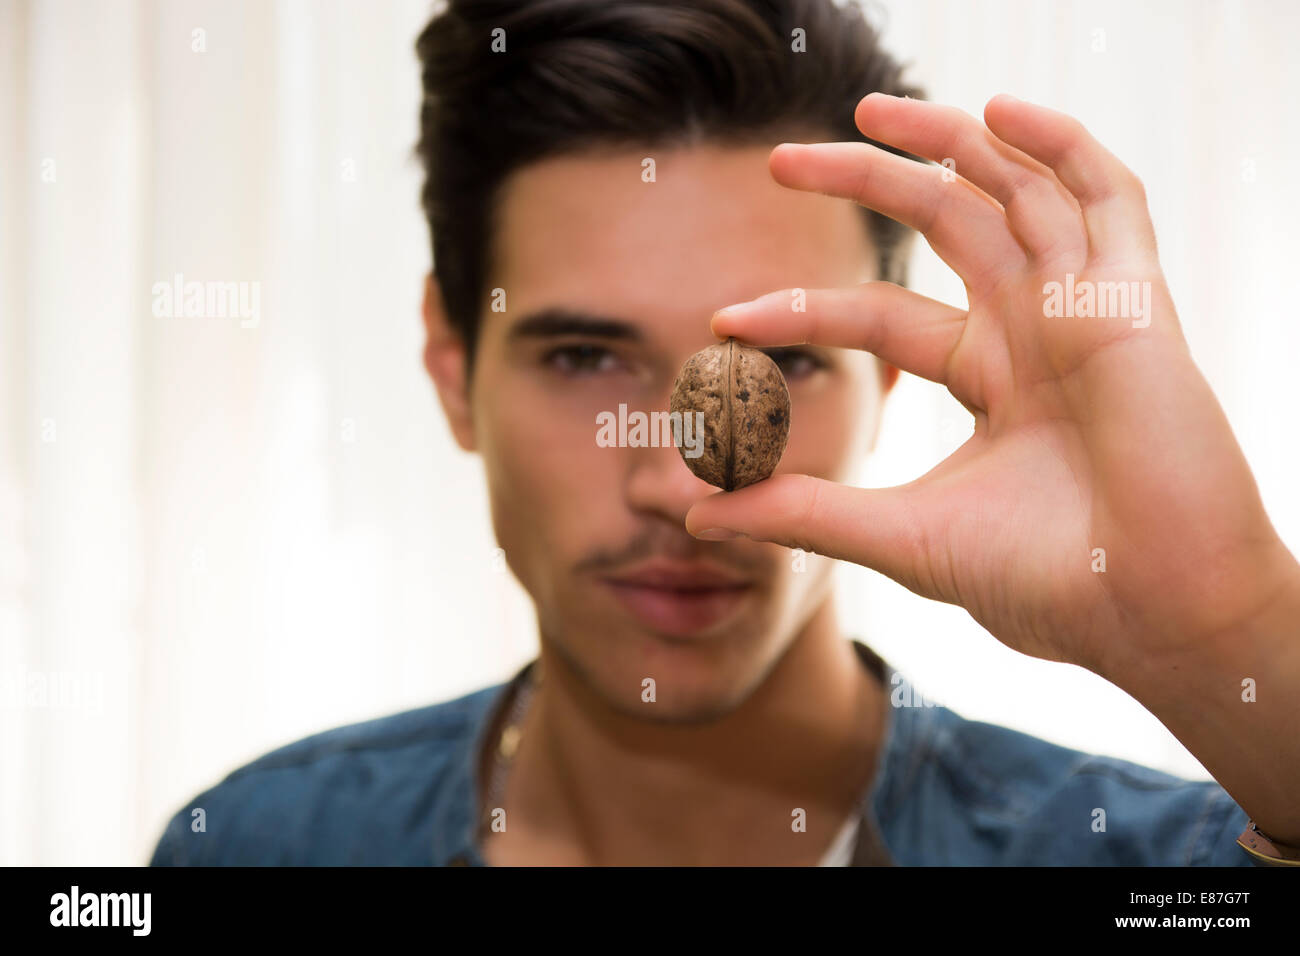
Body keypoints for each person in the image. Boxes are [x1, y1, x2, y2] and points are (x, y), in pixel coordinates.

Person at [150, 0, 1300, 866]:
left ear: (893, 371)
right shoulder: (258, 843)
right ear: (453, 367)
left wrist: (1235, 636)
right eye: (583, 358)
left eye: (784, 361)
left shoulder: (1162, 860)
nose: (672, 479)